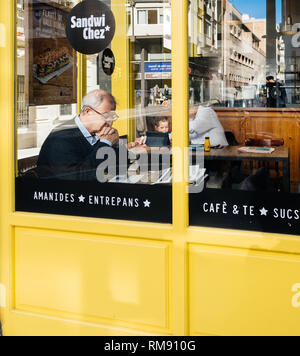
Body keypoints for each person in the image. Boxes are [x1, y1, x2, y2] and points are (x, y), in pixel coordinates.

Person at [36, 90, 121, 180]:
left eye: (113, 116)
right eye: (106, 116)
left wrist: (117, 144)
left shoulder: (97, 133)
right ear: (88, 111)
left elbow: (122, 166)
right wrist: (105, 144)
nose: (111, 122)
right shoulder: (61, 138)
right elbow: (78, 179)